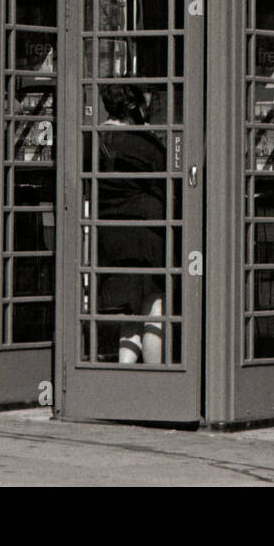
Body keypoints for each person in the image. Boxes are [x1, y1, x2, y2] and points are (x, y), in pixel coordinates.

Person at [96, 83, 168, 363]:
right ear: (131, 107)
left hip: (111, 234)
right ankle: (154, 381)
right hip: (146, 232)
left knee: (129, 309)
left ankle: (125, 373)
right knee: (154, 306)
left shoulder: (93, 139)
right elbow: (167, 184)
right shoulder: (144, 141)